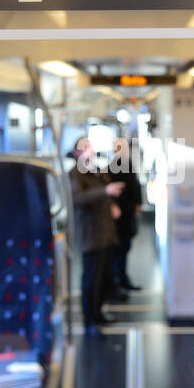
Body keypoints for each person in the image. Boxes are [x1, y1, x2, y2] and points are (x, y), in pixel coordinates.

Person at [68, 137, 123, 329]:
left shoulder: (95, 171)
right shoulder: (75, 174)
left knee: (102, 278)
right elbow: (78, 198)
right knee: (90, 279)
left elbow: (103, 194)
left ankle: (98, 313)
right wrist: (106, 192)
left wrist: (112, 206)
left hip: (104, 233)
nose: (90, 150)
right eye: (86, 147)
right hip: (90, 235)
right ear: (78, 153)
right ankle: (89, 320)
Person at [107, 137, 144, 292]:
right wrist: (131, 205)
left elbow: (135, 186)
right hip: (121, 216)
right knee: (119, 249)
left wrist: (138, 203)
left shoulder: (127, 164)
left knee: (125, 246)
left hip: (128, 214)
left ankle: (122, 279)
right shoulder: (113, 167)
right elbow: (116, 194)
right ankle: (117, 282)